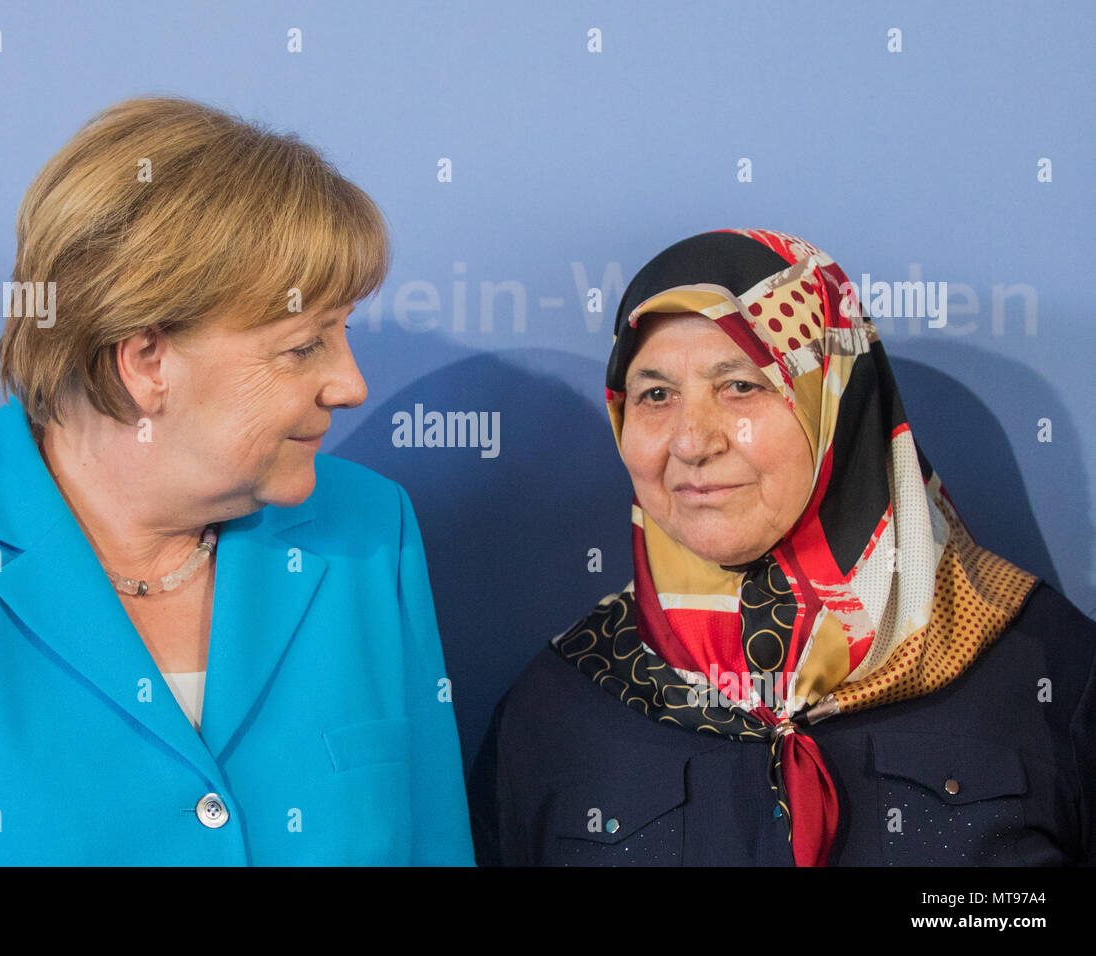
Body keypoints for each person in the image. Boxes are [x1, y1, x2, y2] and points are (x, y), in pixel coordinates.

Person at [0, 96, 474, 866]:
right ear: (145, 359)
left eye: (343, 333)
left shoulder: (368, 531)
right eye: (302, 347)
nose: (351, 384)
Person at [468, 227, 1096, 866]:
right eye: (655, 395)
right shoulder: (561, 705)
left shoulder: (1044, 668)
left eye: (741, 385)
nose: (692, 441)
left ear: (835, 402)